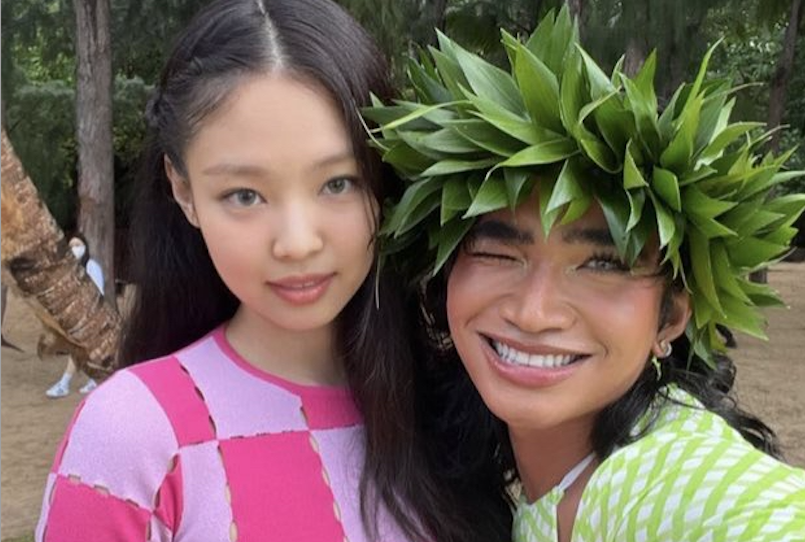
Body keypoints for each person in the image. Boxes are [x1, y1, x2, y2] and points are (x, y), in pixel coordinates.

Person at [366, 8, 805, 542]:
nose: (534, 313)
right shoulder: (512, 483)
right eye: (497, 254)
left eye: (602, 265)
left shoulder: (679, 481)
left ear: (670, 317)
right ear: (446, 284)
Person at [35, 1, 507, 541]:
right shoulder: (133, 439)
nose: (297, 242)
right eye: (245, 194)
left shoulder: (459, 409)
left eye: (338, 183)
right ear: (183, 190)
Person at [45, 236, 101, 398]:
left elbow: (98, 292)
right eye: (72, 246)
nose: (75, 248)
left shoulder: (91, 266)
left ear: (85, 246)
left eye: (78, 244)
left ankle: (64, 384)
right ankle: (93, 379)